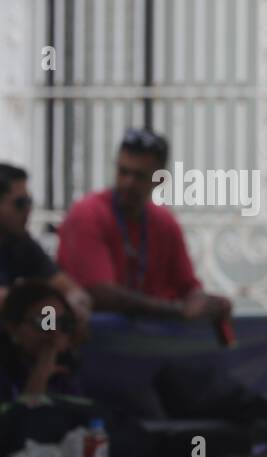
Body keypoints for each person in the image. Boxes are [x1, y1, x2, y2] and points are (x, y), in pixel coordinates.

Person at [55, 128, 232, 323]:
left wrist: (205, 303)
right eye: (123, 172)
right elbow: (100, 294)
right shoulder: (87, 214)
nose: (128, 183)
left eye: (139, 176)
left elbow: (188, 287)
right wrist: (178, 310)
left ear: (160, 180)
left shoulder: (164, 222)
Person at [0, 164, 91, 323]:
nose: (28, 210)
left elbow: (70, 289)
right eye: (20, 203)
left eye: (30, 202)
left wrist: (76, 307)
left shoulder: (20, 242)